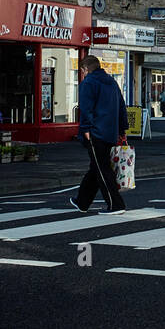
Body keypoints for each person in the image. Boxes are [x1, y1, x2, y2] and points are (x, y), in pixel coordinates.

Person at [70, 55, 129, 214]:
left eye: (82, 70)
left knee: (102, 169)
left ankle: (116, 204)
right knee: (96, 167)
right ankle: (82, 201)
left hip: (96, 133)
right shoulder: (111, 82)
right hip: (111, 132)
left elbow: (86, 109)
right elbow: (121, 106)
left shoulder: (88, 83)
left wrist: (86, 130)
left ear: (85, 69)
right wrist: (122, 130)